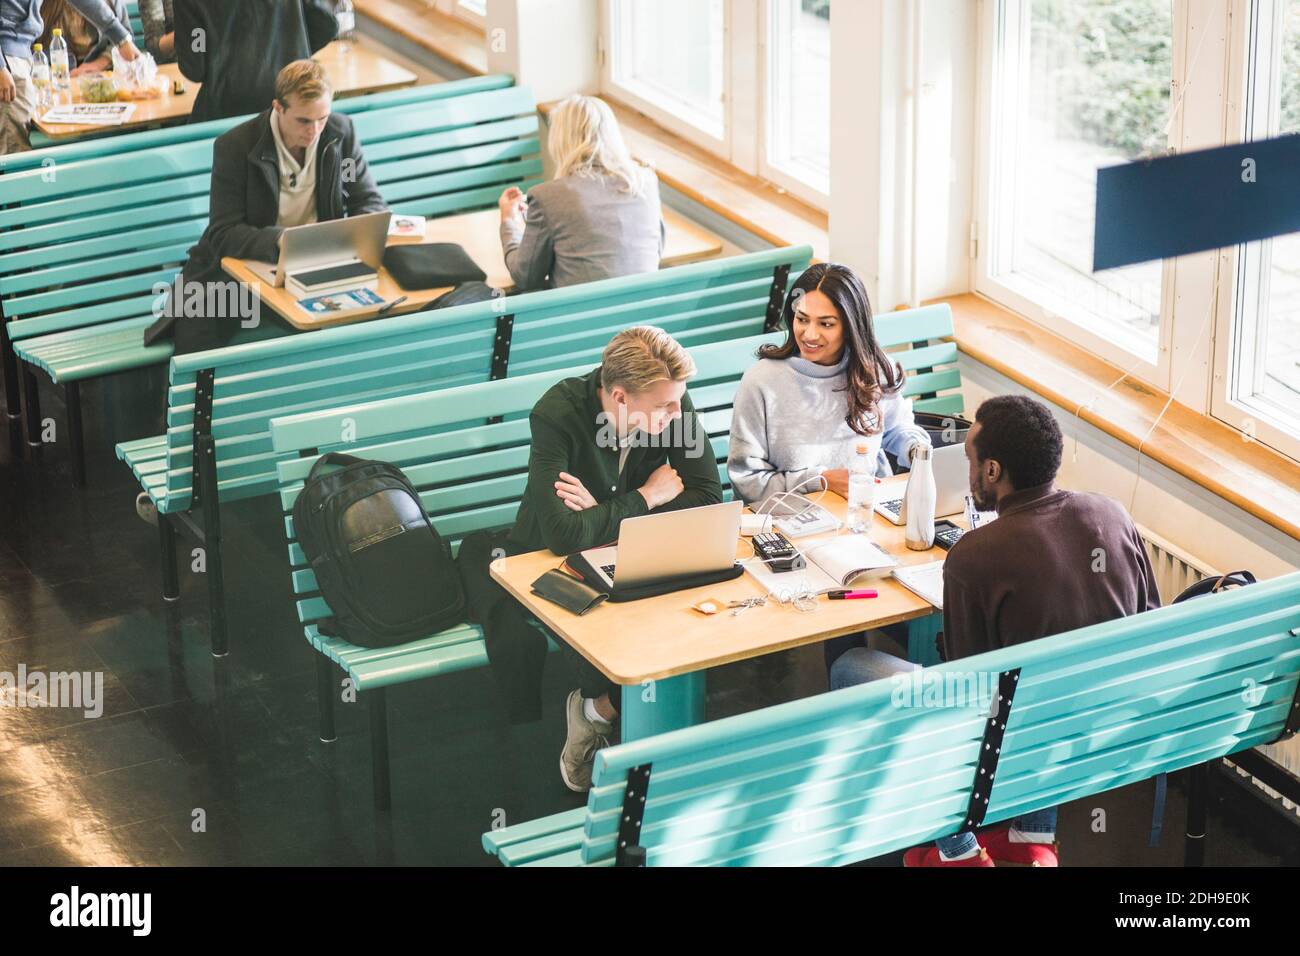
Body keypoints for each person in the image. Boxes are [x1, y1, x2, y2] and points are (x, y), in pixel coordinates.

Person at [830, 394, 1161, 867]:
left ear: (992, 471)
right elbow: (1150, 616)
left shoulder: (974, 554)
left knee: (853, 666)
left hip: (1014, 734)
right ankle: (1029, 837)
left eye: (968, 458)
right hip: (1105, 723)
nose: (968, 469)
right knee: (1039, 683)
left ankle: (956, 849)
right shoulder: (1112, 514)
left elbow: (969, 696)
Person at [457, 326, 722, 792]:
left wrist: (599, 511)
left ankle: (596, 710)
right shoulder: (558, 414)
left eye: (678, 402)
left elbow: (706, 497)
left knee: (702, 625)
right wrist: (646, 496)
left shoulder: (671, 402)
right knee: (620, 626)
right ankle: (611, 724)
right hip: (548, 560)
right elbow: (561, 535)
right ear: (619, 397)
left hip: (634, 548)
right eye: (663, 406)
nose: (677, 414)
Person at [728, 261, 931, 674]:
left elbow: (898, 430)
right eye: (801, 320)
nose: (809, 334)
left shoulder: (878, 370)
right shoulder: (763, 381)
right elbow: (747, 482)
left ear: (851, 327)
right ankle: (850, 687)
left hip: (870, 522)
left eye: (826, 323)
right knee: (848, 607)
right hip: (795, 530)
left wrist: (919, 456)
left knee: (932, 589)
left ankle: (899, 689)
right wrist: (820, 479)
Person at [157, 58, 386, 356]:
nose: (314, 130)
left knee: (379, 316)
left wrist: (350, 236)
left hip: (317, 264)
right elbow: (224, 231)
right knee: (198, 331)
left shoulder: (340, 134)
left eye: (322, 118)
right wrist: (283, 241)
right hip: (245, 267)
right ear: (278, 107)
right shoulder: (236, 146)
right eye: (303, 121)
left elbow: (369, 201)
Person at [498, 94, 664, 292]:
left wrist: (509, 222)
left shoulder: (549, 196)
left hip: (583, 320)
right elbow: (656, 250)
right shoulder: (645, 181)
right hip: (644, 319)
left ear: (560, 140)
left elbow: (525, 276)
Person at [0, 0, 139, 154]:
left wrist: (122, 38)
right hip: (8, 61)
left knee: (16, 148)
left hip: (19, 57)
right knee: (12, 153)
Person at [174, 0, 338, 123]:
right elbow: (326, 24)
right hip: (290, 102)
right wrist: (292, 48)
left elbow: (195, 67)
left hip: (227, 111)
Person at [38, 0, 131, 75]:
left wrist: (97, 65)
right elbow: (36, 48)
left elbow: (126, 39)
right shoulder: (44, 5)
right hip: (58, 77)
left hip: (103, 74)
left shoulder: (112, 2)